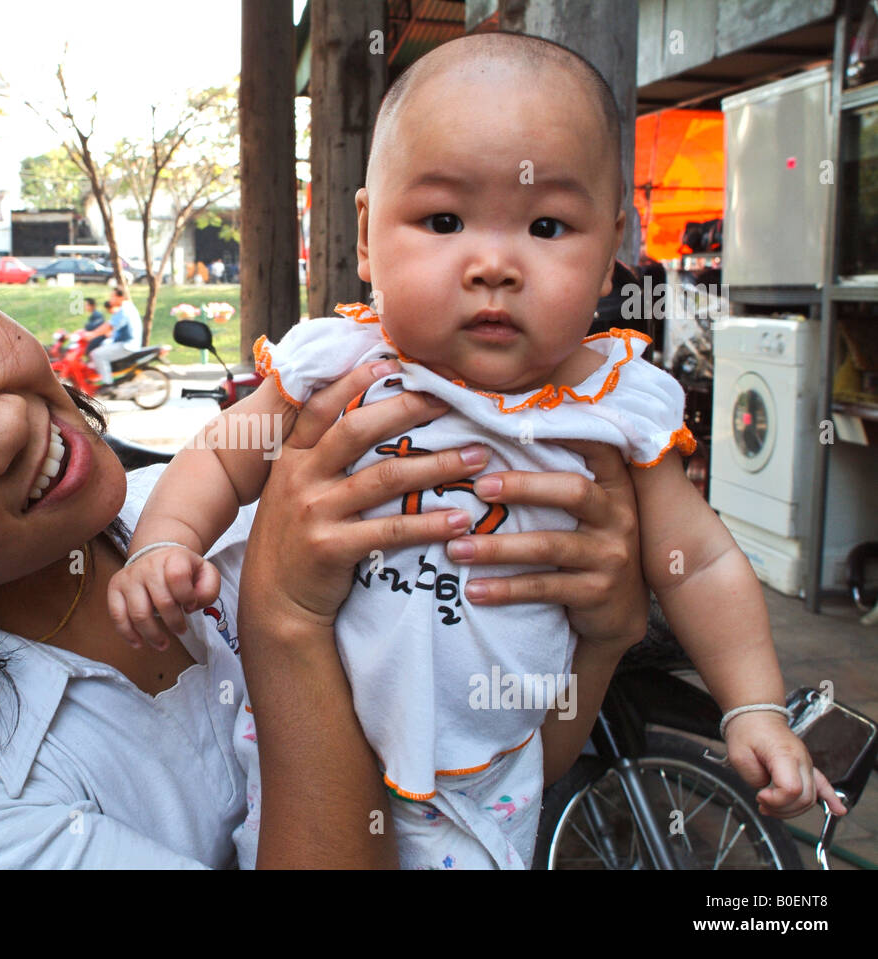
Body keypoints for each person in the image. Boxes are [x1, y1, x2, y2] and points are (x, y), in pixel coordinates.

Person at [0, 189, 657, 869]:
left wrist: (598, 638)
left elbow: (470, 788)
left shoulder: (177, 511)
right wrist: (281, 622)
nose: (4, 421)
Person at [109, 31, 844, 870]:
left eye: (546, 225)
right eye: (445, 220)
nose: (493, 263)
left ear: (612, 248)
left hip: (495, 774)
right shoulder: (338, 363)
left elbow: (703, 565)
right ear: (365, 232)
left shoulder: (612, 407)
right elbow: (220, 454)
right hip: (310, 743)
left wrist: (752, 706)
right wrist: (166, 541)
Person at [89, 289, 138, 388]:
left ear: (120, 297)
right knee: (102, 347)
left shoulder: (124, 309)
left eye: (112, 297)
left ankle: (108, 384)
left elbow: (110, 325)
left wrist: (92, 334)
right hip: (125, 342)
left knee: (97, 354)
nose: (110, 299)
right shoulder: (127, 307)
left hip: (127, 345)